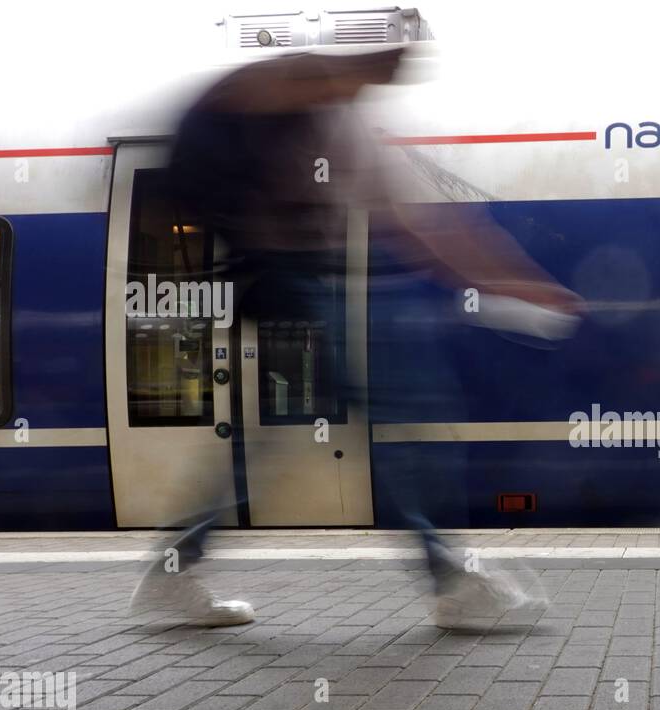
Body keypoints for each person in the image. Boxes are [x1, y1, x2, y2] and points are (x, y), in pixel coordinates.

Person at [130, 44, 581, 628]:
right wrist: (353, 66)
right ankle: (452, 583)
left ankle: (171, 573)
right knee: (384, 413)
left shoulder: (350, 130)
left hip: (304, 273)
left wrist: (516, 281)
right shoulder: (289, 91)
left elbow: (420, 228)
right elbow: (261, 87)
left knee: (288, 441)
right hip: (279, 270)